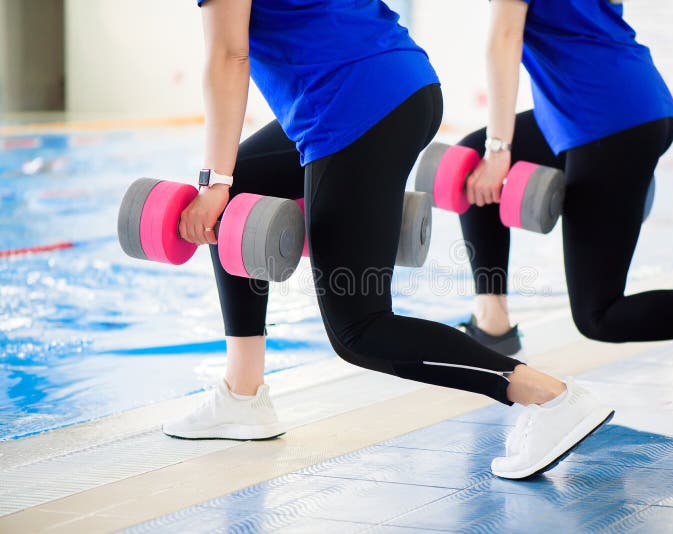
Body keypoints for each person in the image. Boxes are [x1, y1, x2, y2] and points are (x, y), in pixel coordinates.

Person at [160, 0, 614, 480]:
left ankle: (551, 398)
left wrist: (213, 183)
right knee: (243, 186)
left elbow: (229, 55)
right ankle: (242, 393)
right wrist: (228, 184)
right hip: (403, 83)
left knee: (360, 332)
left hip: (350, 106)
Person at [455, 0, 673, 397]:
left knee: (598, 316)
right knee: (467, 159)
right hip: (609, 108)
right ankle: (493, 325)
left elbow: (504, 37)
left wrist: (500, 150)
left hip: (605, 122)